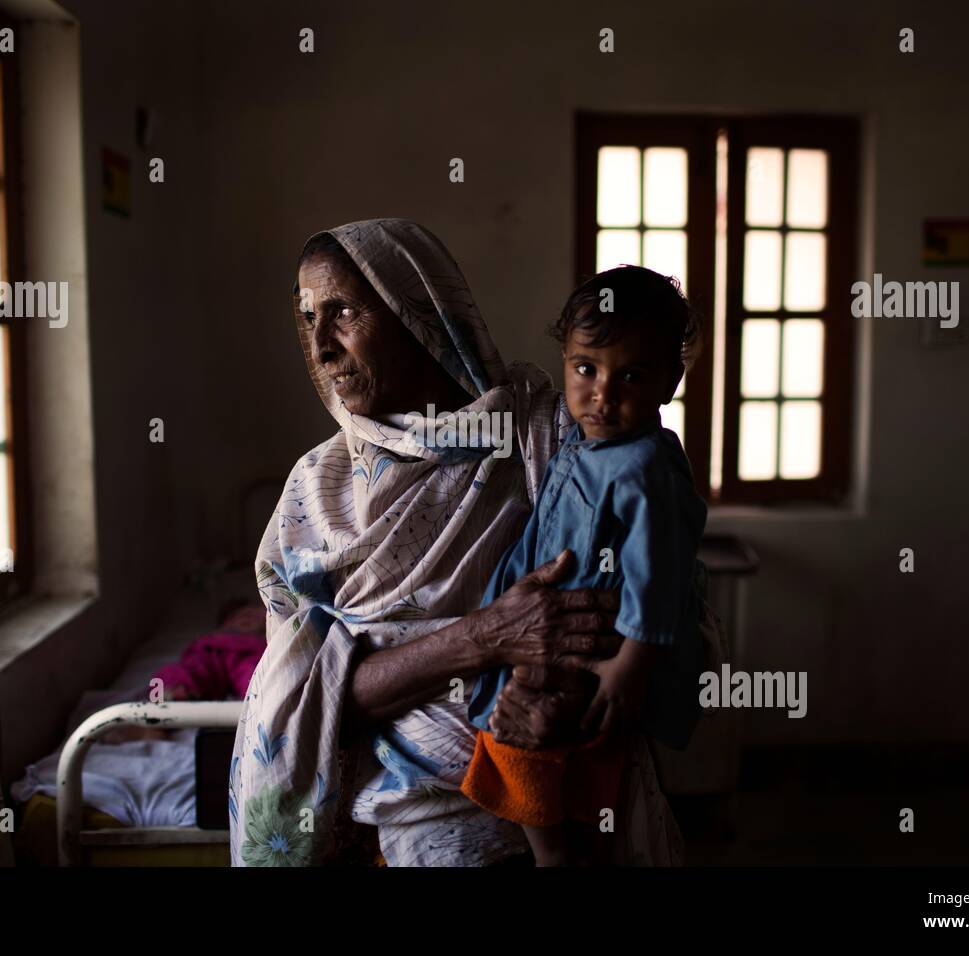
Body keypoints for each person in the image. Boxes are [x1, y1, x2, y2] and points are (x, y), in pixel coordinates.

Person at [229, 219, 697, 866]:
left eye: (342, 313)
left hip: (575, 799)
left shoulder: (555, 435)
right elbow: (308, 697)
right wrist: (487, 636)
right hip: (403, 831)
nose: (320, 345)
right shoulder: (317, 492)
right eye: (307, 317)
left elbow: (662, 594)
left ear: (416, 311)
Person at [462, 266, 708, 865]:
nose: (602, 393)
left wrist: (632, 663)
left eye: (630, 375)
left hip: (600, 648)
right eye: (585, 369)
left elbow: (662, 575)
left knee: (526, 738)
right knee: (539, 748)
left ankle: (554, 860)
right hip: (550, 633)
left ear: (670, 381)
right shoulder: (578, 440)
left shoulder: (646, 467)